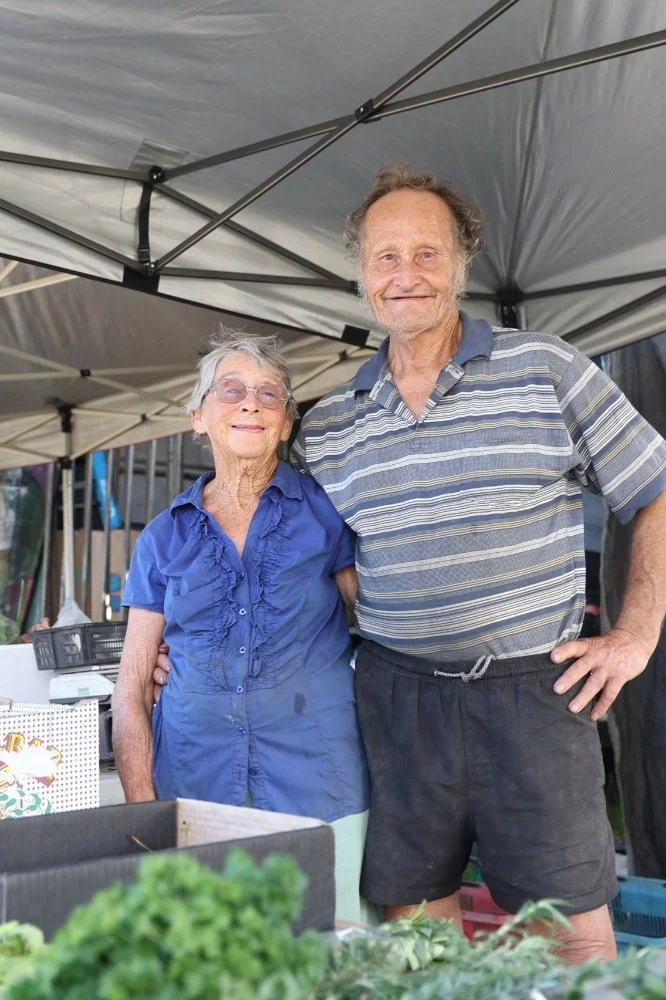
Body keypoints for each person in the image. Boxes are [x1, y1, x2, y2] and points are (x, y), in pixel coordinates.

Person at [290, 166, 666, 962]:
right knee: (413, 940)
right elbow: (309, 557)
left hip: (535, 695)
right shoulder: (327, 427)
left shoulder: (548, 370)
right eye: (386, 257)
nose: (406, 275)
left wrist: (636, 633)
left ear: (462, 266)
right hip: (395, 701)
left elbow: (655, 490)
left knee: (564, 942)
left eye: (428, 254)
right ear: (361, 272)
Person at [112, 331, 369, 922]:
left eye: (269, 394)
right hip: (194, 792)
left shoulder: (327, 514)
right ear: (198, 417)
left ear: (285, 425)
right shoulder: (162, 537)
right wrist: (141, 811)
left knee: (323, 961)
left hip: (318, 788)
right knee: (211, 965)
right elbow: (129, 688)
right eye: (230, 390)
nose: (250, 403)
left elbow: (385, 632)